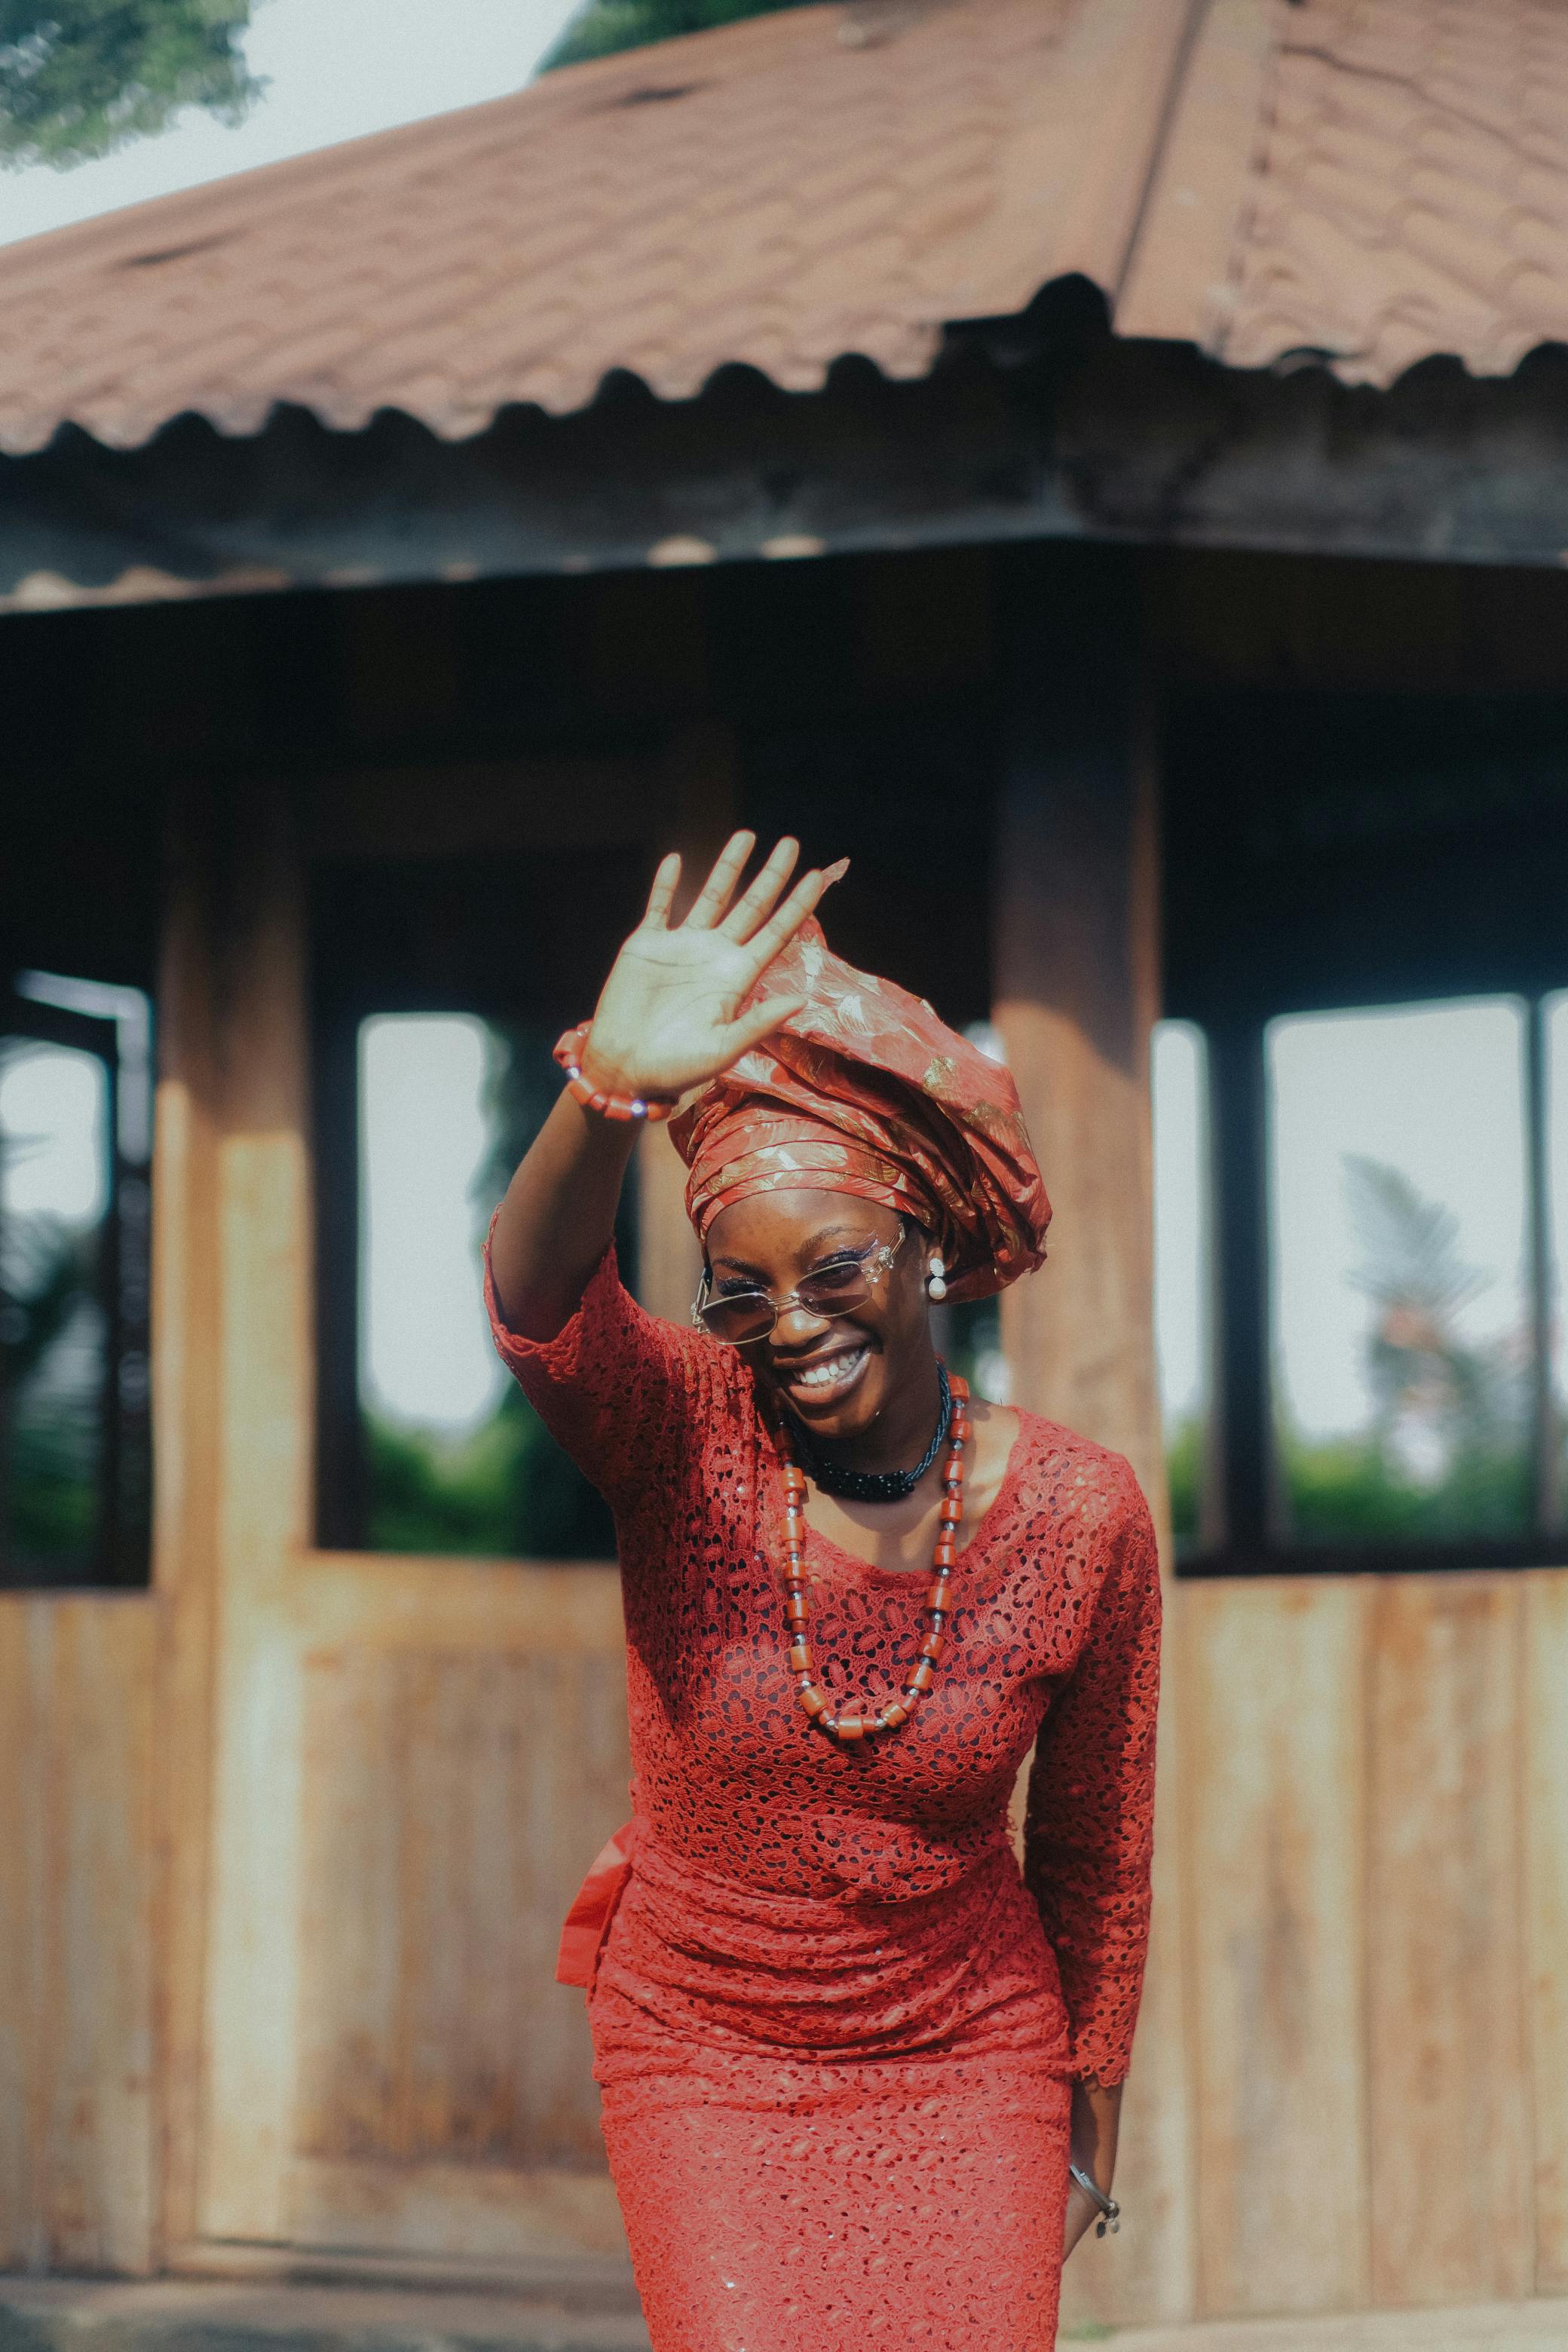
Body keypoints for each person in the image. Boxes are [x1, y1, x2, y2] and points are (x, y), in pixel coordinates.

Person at [486, 831, 1160, 2352]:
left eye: (835, 1267)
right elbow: (538, 1305)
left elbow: (1096, 1854)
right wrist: (606, 1090)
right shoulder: (679, 1432)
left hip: (968, 2056)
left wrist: (1088, 2140)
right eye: (741, 1289)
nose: (789, 1323)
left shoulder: (1080, 1512)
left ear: (924, 1246)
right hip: (702, 2057)